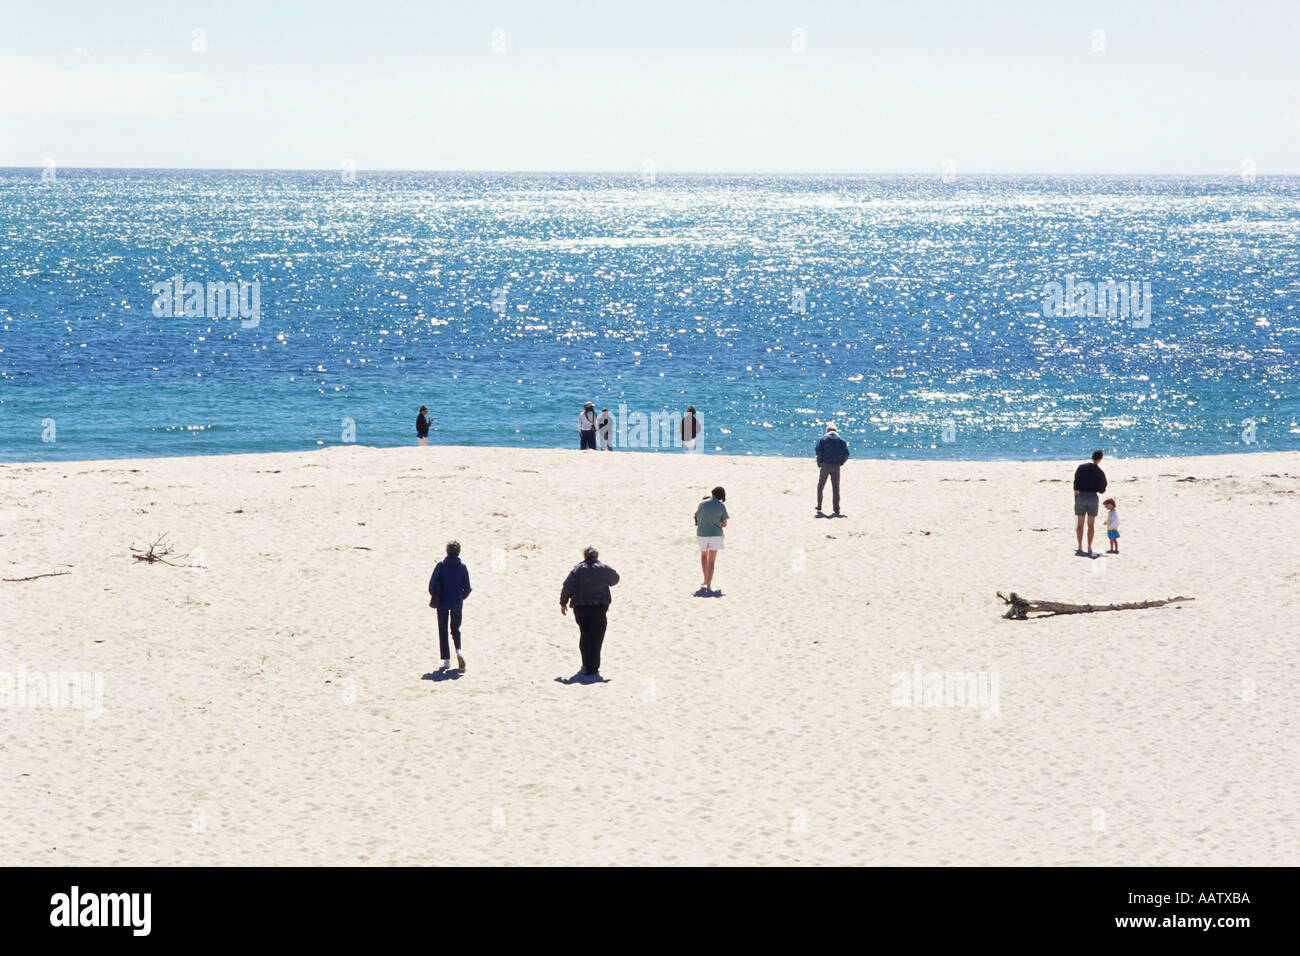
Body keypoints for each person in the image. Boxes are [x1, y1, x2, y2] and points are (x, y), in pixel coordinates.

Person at [559, 546, 620, 678]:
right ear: (596, 556)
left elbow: (567, 586)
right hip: (599, 608)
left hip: (581, 608)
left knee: (585, 635)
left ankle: (586, 665)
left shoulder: (577, 569)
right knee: (597, 637)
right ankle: (593, 667)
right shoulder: (603, 568)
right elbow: (615, 579)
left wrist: (563, 603)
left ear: (585, 556)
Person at [428, 540, 472, 673]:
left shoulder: (441, 565)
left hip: (442, 602)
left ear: (447, 551)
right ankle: (458, 651)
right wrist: (460, 597)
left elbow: (431, 586)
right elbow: (467, 588)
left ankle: (446, 660)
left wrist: (436, 595)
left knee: (443, 630)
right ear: (459, 552)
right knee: (455, 629)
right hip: (456, 603)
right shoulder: (462, 567)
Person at [694, 486, 729, 593]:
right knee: (711, 561)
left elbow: (697, 517)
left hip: (702, 533)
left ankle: (705, 579)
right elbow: (724, 524)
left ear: (712, 493)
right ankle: (709, 585)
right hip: (716, 534)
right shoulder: (721, 506)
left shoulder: (702, 504)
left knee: (704, 556)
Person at [1073, 450, 1108, 555]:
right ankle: (1089, 546)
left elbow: (1075, 484)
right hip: (1092, 497)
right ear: (1100, 459)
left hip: (1081, 496)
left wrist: (1076, 497)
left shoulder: (1081, 467)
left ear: (1092, 457)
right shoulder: (1100, 472)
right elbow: (1102, 489)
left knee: (1080, 524)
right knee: (1091, 525)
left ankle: (1080, 546)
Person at [815, 423, 850, 515]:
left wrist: (820, 461)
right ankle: (836, 508)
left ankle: (819, 505)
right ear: (836, 431)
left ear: (827, 431)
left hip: (825, 464)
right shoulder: (842, 441)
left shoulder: (823, 439)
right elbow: (846, 454)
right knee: (836, 487)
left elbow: (817, 450)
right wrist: (841, 462)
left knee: (821, 485)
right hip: (836, 466)